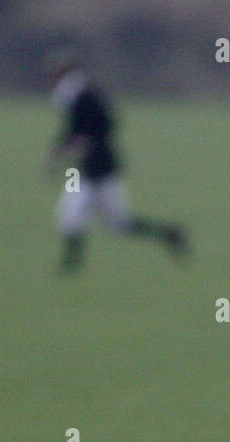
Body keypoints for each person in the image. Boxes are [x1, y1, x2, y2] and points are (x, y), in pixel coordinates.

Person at [44, 48, 187, 273]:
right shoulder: (81, 95)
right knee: (74, 216)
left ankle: (170, 233)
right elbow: (78, 130)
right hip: (91, 171)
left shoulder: (83, 96)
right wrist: (64, 148)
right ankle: (71, 266)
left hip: (101, 171)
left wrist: (74, 146)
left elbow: (97, 127)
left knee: (115, 224)